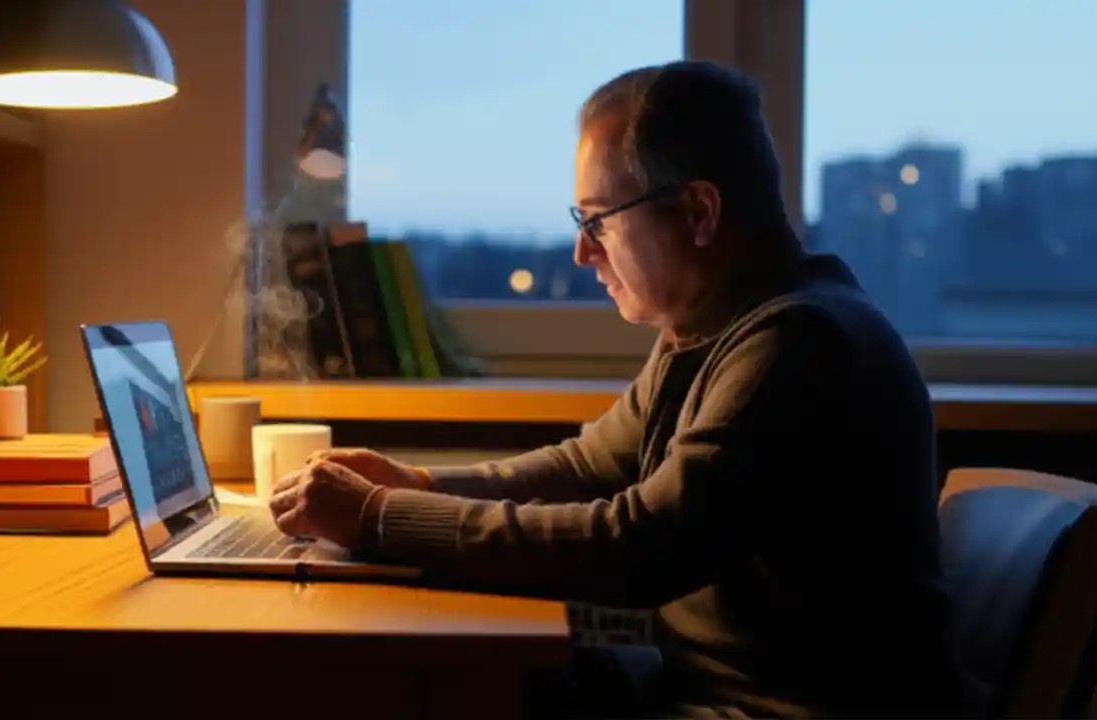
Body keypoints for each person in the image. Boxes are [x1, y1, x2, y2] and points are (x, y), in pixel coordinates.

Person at [269, 60, 979, 718]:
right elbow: (588, 469)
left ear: (699, 212)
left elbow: (638, 548)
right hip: (699, 690)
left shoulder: (799, 345)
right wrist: (418, 482)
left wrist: (383, 518)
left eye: (597, 220)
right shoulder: (711, 328)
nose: (583, 252)